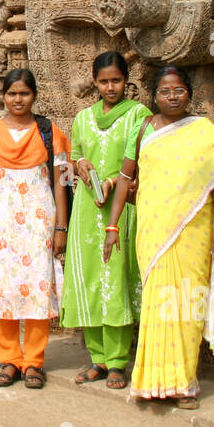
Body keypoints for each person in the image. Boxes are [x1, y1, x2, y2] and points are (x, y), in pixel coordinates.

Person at [102, 65, 214, 409]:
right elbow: (124, 178)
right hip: (153, 228)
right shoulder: (144, 128)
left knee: (186, 306)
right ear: (154, 96)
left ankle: (183, 384)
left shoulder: (203, 131)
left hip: (194, 230)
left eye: (179, 90)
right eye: (165, 91)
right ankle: (151, 382)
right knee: (156, 304)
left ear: (190, 94)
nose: (172, 96)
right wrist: (112, 225)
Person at [0, 68, 71, 389]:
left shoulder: (50, 133)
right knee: (4, 289)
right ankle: (10, 358)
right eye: (12, 94)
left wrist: (61, 228)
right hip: (2, 224)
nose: (17, 99)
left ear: (34, 95)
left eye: (24, 93)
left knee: (39, 288)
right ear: (3, 96)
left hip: (40, 223)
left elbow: (61, 182)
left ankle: (35, 361)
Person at [63, 52, 152, 390]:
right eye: (104, 81)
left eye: (116, 80)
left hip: (121, 208)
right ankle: (96, 359)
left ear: (127, 80)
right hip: (87, 208)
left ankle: (117, 362)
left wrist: (116, 181)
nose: (110, 87)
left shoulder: (139, 116)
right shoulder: (83, 118)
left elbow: (144, 161)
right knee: (89, 279)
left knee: (117, 280)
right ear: (94, 82)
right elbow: (74, 158)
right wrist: (81, 166)